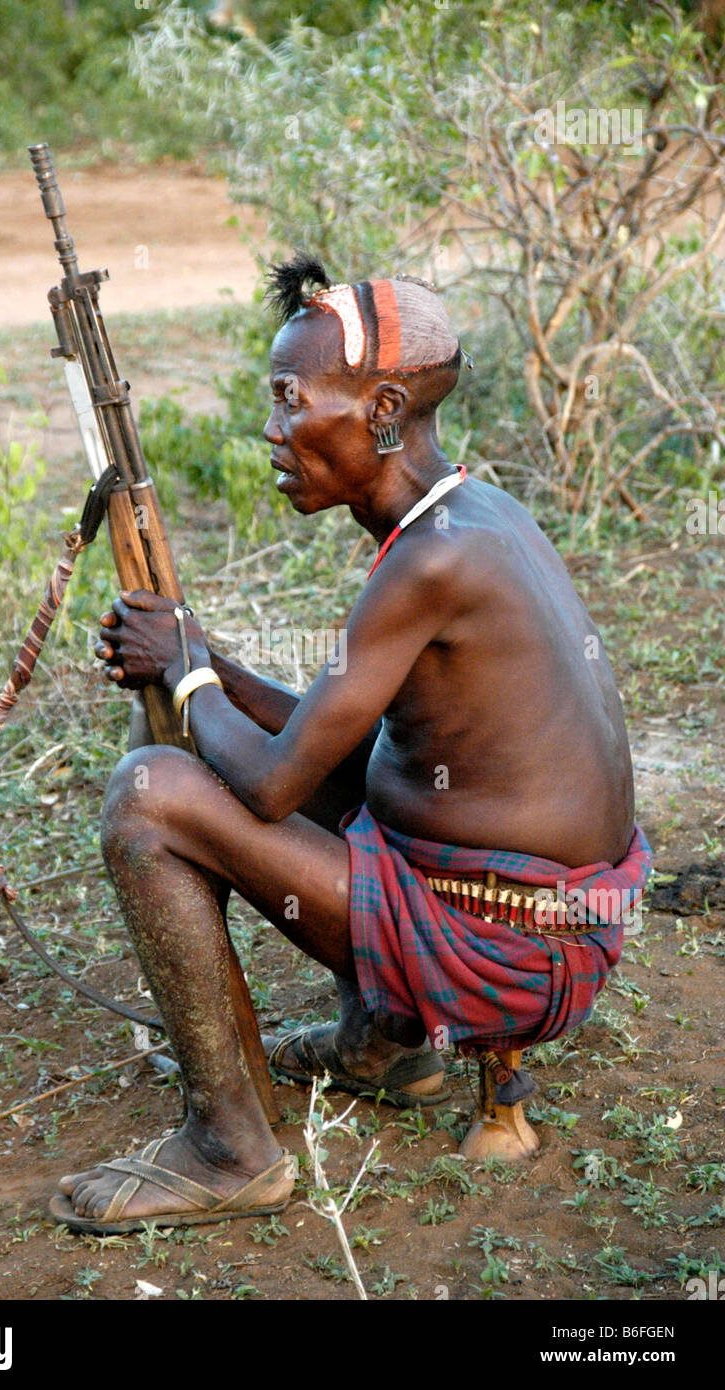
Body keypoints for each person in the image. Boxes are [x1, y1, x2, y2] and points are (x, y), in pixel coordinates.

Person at [50, 256, 651, 1235]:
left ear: (379, 409)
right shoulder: (469, 517)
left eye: (291, 401)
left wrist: (188, 672)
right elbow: (343, 728)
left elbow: (282, 783)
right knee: (312, 756)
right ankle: (388, 1049)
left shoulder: (431, 559)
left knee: (151, 790)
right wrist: (205, 661)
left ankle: (230, 1149)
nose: (273, 430)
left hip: (509, 951)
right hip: (536, 918)